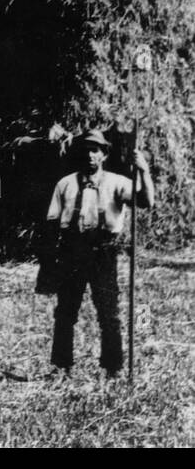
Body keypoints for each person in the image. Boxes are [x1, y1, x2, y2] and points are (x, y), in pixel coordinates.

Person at [45, 129, 153, 379]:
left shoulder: (118, 183)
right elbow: (51, 224)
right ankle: (61, 366)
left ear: (104, 154)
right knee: (65, 312)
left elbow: (146, 202)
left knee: (109, 313)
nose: (89, 155)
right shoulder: (65, 184)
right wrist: (52, 260)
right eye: (85, 149)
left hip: (103, 253)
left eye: (95, 150)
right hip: (72, 251)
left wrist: (144, 170)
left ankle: (112, 368)